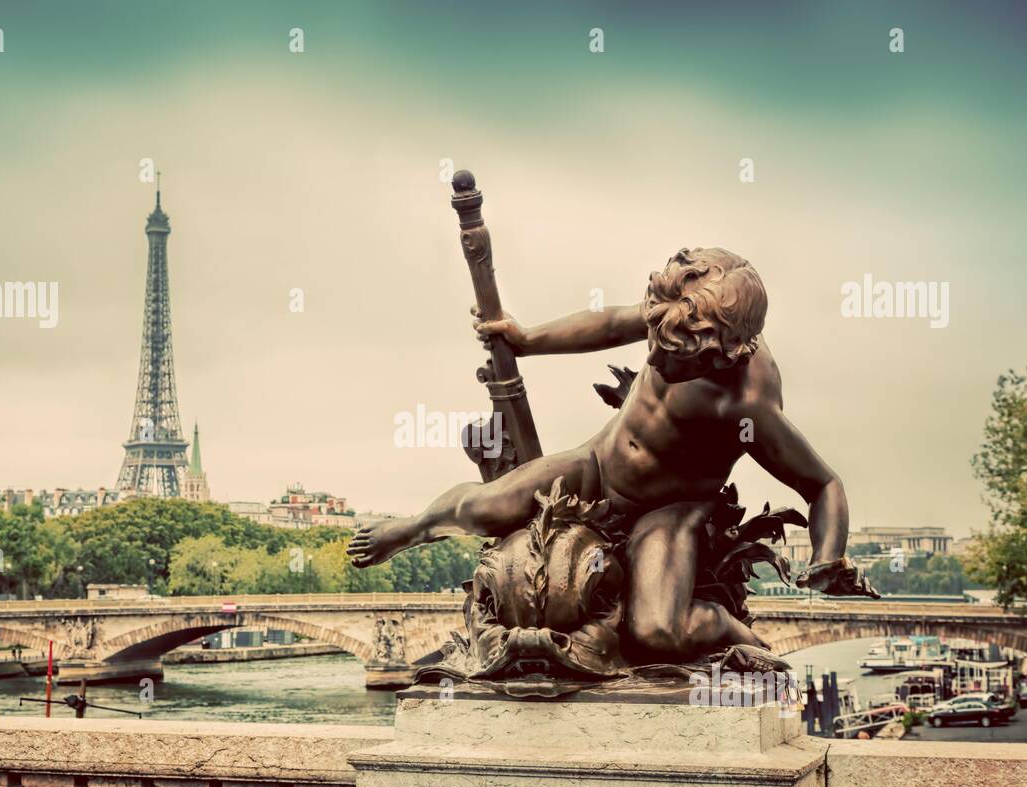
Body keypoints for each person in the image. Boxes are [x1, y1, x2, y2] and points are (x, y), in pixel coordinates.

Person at [349, 247, 877, 663]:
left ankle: (721, 623)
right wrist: (527, 337)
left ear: (720, 355)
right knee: (482, 508)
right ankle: (415, 527)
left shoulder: (747, 407)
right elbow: (606, 326)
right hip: (598, 465)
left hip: (668, 510)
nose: (651, 356)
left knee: (656, 632)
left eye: (671, 357)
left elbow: (823, 485)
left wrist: (828, 557)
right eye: (653, 338)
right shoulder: (672, 318)